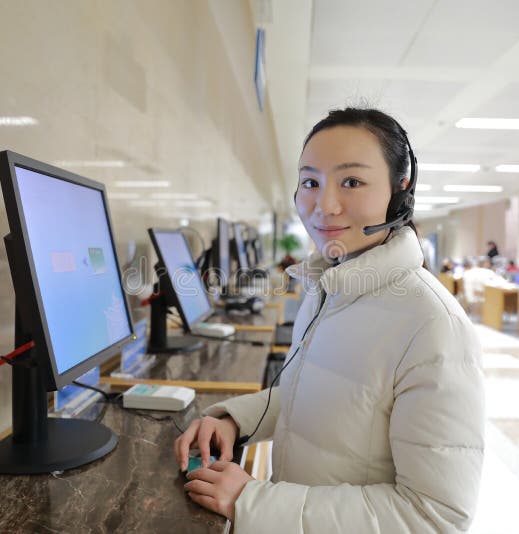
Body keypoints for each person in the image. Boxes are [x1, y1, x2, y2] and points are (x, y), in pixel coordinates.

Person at [173, 108, 485, 532]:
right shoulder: (331, 287)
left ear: (400, 191)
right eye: (310, 183)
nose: (324, 206)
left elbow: (434, 517)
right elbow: (318, 394)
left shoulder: (432, 326)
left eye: (351, 182)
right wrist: (233, 420)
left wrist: (255, 501)